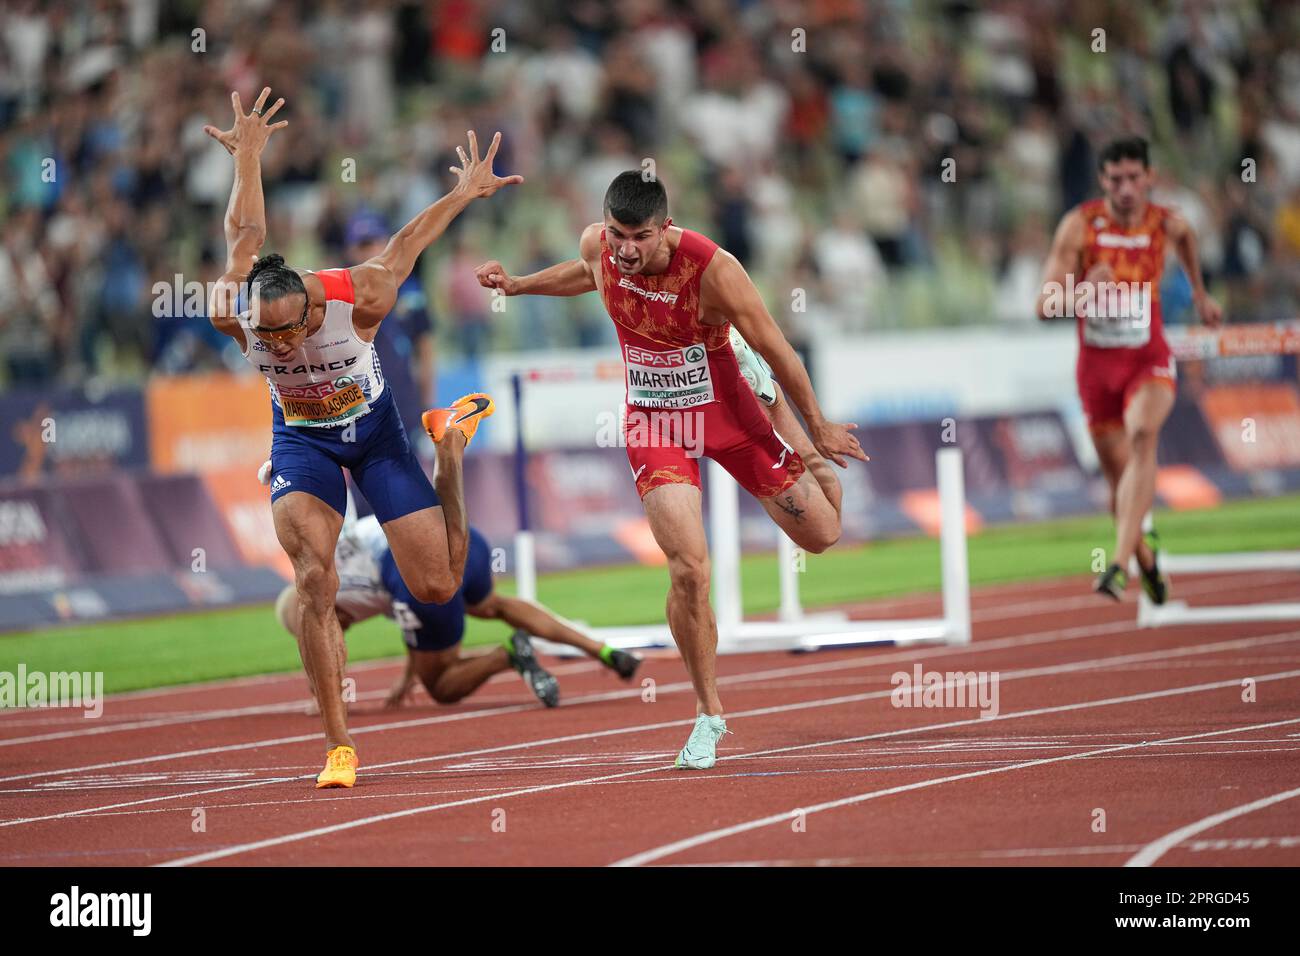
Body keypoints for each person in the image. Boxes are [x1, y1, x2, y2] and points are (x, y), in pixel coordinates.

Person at [473, 171, 867, 769]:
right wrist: (519, 284)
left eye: (639, 237)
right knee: (688, 569)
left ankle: (784, 426)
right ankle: (709, 714)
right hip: (656, 423)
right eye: (616, 234)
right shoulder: (598, 248)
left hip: (729, 412)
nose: (625, 249)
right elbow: (586, 274)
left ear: (666, 227)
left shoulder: (713, 268)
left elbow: (779, 347)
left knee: (823, 532)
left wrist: (817, 429)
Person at [204, 86, 521, 788]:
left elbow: (409, 241)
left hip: (376, 438)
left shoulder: (362, 295)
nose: (280, 346)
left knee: (438, 583)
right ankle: (339, 747)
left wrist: (466, 192)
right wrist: (250, 155)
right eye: (269, 334)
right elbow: (243, 236)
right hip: (302, 442)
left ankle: (449, 456)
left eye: (291, 330)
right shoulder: (237, 311)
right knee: (315, 581)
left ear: (312, 307)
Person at [264, 480, 642, 712]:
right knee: (492, 604)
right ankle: (600, 648)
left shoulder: (325, 596)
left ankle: (508, 655)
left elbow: (327, 644)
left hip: (410, 573)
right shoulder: (347, 545)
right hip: (463, 540)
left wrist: (324, 697)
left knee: (442, 686)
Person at [1036, 136, 1222, 601]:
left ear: (1149, 178)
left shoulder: (1167, 223)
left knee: (1143, 437)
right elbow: (1042, 307)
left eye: (1134, 178)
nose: (1125, 188)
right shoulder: (1080, 227)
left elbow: (1187, 240)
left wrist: (1200, 292)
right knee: (1120, 481)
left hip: (1148, 358)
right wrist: (1082, 290)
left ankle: (1117, 566)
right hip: (1097, 370)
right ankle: (1147, 555)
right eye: (1115, 179)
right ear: (1103, 180)